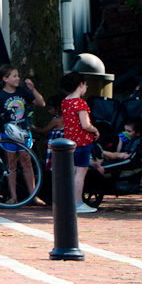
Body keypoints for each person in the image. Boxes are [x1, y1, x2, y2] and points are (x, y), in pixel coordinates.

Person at [0, 63, 46, 205]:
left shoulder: (22, 92)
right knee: (11, 165)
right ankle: (13, 196)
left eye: (17, 75)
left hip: (23, 131)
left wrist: (33, 89)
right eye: (14, 76)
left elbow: (41, 103)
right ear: (5, 79)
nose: (17, 78)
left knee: (26, 162)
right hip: (7, 133)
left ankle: (32, 194)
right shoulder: (0, 96)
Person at [59, 72, 99, 213]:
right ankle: (77, 202)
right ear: (80, 85)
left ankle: (68, 201)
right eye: (85, 85)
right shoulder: (80, 103)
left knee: (72, 172)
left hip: (69, 141)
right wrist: (95, 130)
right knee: (80, 173)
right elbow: (86, 125)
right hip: (82, 142)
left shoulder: (65, 102)